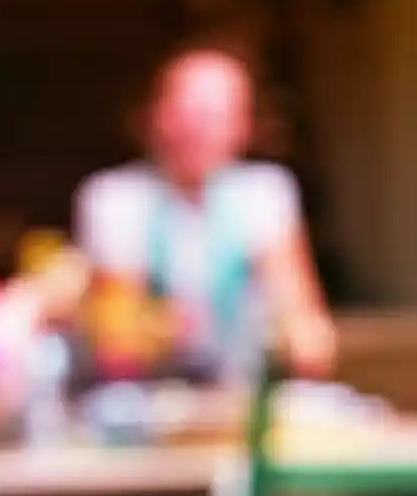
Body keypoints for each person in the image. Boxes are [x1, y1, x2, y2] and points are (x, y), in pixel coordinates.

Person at [75, 46, 335, 385]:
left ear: (243, 125)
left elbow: (302, 316)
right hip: (145, 400)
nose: (196, 129)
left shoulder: (265, 192)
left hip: (239, 392)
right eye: (186, 113)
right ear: (155, 115)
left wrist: (301, 335)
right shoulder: (115, 198)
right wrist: (160, 329)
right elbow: (117, 342)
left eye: (214, 116)